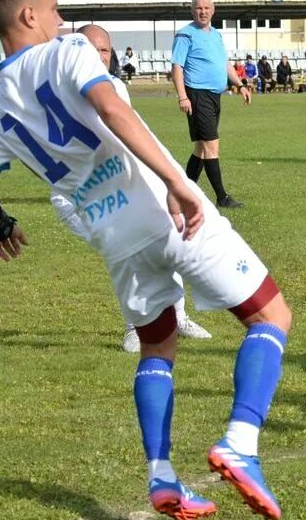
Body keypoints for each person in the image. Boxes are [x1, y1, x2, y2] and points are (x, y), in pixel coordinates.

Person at [0, 0, 292, 520]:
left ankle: (162, 477)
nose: (61, 19)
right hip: (167, 215)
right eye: (53, 8)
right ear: (28, 15)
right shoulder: (68, 51)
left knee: (157, 349)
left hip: (115, 240)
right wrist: (177, 182)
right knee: (271, 316)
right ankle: (241, 441)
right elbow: (114, 110)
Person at [67, 24, 213, 353]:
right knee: (127, 253)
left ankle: (178, 317)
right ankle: (135, 325)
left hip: (126, 180)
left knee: (166, 239)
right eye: (90, 49)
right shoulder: (59, 90)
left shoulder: (115, 85)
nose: (98, 56)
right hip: (83, 192)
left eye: (104, 50)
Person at [170, 0, 249, 210]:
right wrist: (183, 96)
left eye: (207, 8)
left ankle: (182, 194)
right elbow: (177, 67)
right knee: (211, 146)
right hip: (197, 94)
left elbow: (225, 64)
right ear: (192, 11)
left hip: (214, 96)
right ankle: (222, 197)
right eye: (198, 8)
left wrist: (240, 85)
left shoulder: (216, 35)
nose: (203, 11)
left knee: (200, 149)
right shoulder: (185, 35)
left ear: (213, 11)